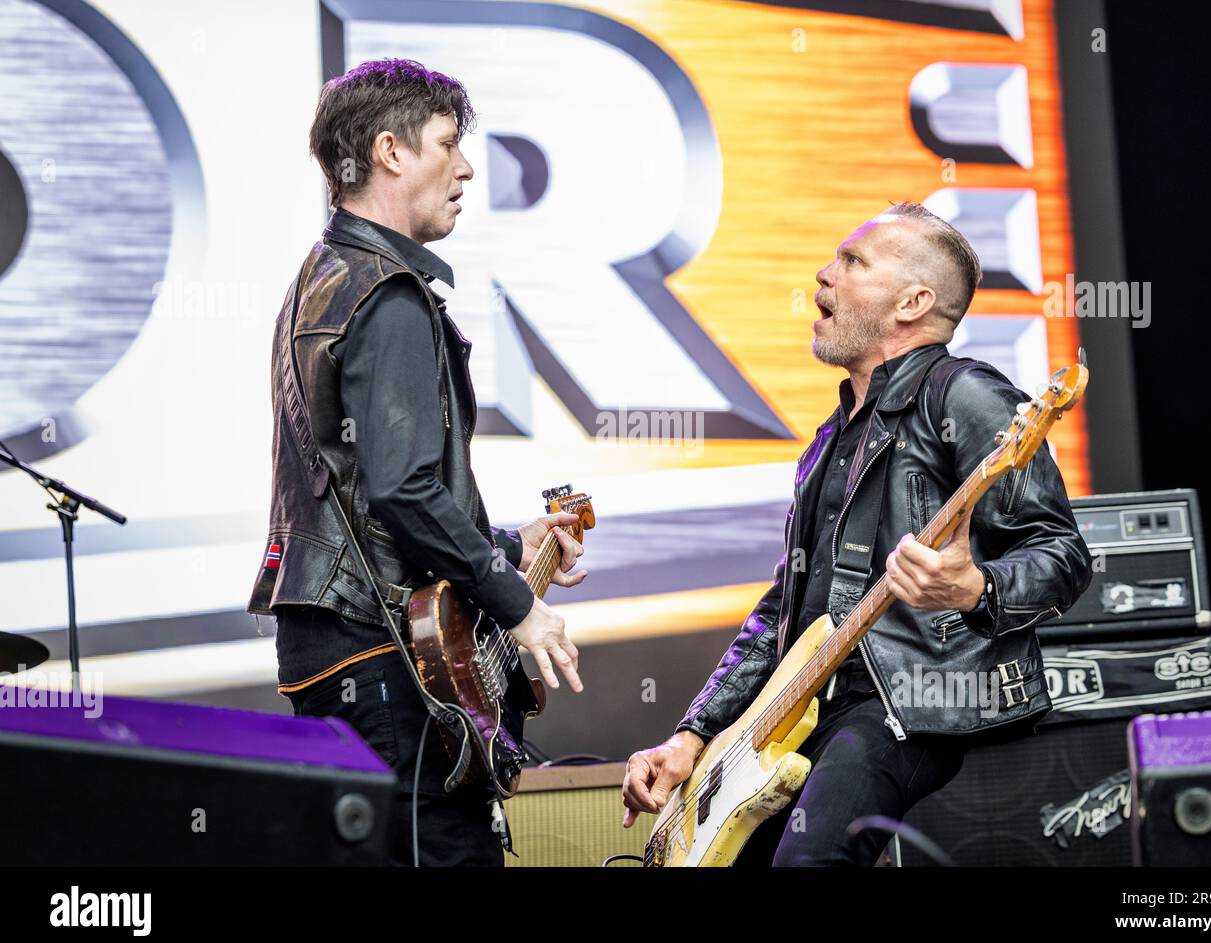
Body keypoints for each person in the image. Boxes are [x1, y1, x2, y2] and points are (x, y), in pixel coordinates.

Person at [621, 203, 1092, 865]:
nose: (823, 275)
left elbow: (1064, 555)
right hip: (800, 712)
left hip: (902, 702)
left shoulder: (965, 395)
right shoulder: (828, 439)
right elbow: (780, 613)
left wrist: (976, 587)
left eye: (851, 262)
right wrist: (694, 735)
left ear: (913, 301)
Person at [248, 58, 586, 866]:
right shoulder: (388, 292)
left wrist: (506, 544)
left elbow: (368, 492)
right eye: (448, 143)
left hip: (337, 647)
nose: (467, 167)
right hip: (382, 654)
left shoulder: (319, 279)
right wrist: (517, 601)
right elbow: (403, 488)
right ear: (392, 152)